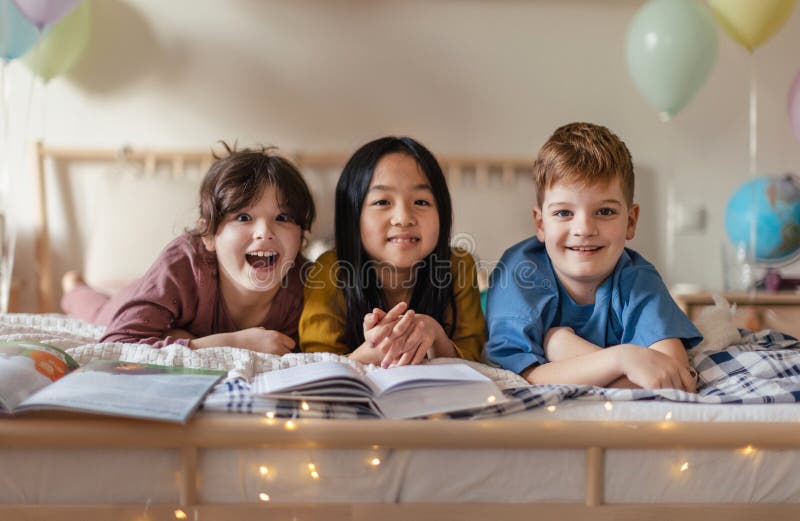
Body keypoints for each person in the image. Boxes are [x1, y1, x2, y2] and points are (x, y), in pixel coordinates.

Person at [485, 122, 701, 391]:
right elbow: (524, 376)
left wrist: (562, 346)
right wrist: (622, 358)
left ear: (631, 221)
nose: (584, 229)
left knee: (557, 341)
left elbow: (675, 378)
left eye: (605, 211)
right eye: (564, 213)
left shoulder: (637, 279)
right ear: (540, 224)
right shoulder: (519, 273)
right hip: (491, 304)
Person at [61, 143, 315, 353]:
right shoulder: (185, 263)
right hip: (136, 296)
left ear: (302, 237)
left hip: (165, 301)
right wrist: (230, 343)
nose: (265, 232)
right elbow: (117, 344)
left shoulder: (303, 286)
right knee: (96, 311)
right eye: (243, 217)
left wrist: (182, 337)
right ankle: (74, 286)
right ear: (209, 235)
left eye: (282, 218)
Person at [299, 136, 484, 368]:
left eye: (421, 202)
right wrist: (378, 349)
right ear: (352, 215)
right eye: (382, 202)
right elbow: (317, 364)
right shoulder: (330, 269)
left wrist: (435, 336)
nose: (404, 218)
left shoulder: (458, 265)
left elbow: (475, 359)